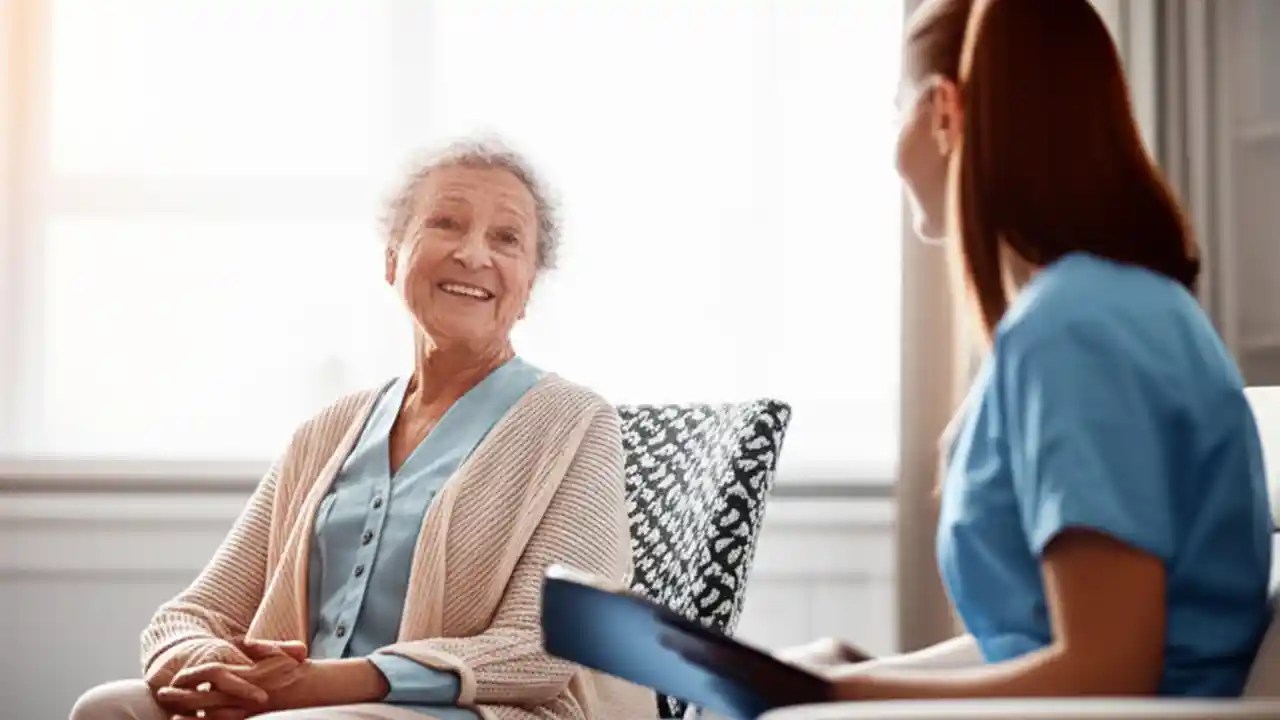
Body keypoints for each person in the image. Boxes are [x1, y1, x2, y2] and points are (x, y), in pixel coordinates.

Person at [783, 0, 1272, 700]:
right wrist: (841, 680)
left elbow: (1108, 669)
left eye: (898, 110)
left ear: (944, 112)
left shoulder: (1074, 328)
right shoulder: (1117, 305)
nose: (893, 142)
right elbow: (1039, 644)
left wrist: (847, 700)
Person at [70, 138, 657, 720]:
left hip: (483, 710)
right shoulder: (327, 431)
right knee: (106, 710)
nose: (475, 255)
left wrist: (319, 686)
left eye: (507, 239)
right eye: (447, 224)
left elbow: (551, 640)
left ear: (528, 287)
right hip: (293, 705)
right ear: (392, 259)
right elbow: (195, 612)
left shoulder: (575, 423)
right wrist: (214, 671)